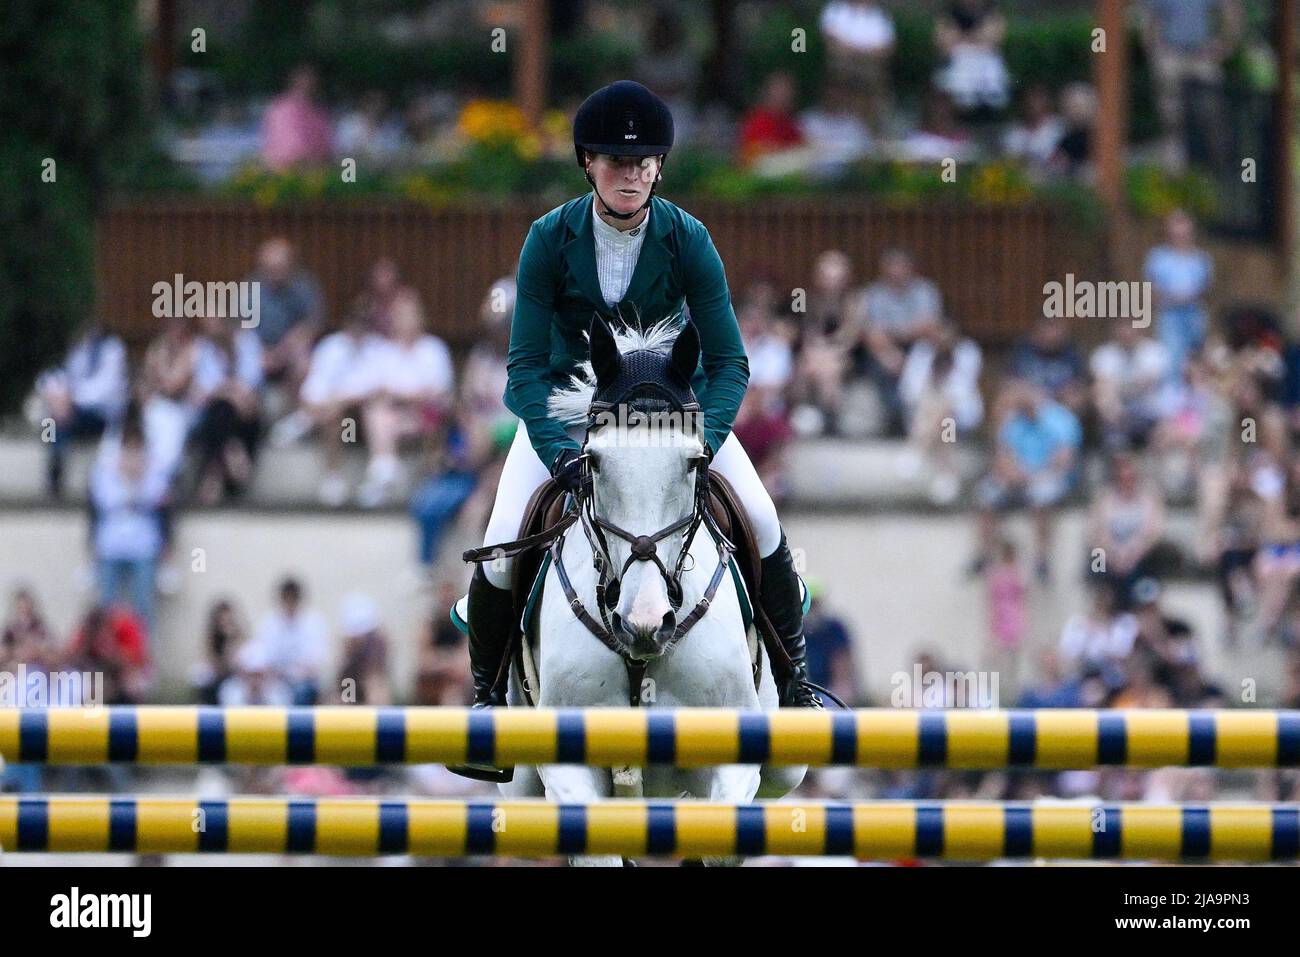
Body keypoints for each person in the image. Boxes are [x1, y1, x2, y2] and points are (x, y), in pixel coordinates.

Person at [465, 80, 821, 716]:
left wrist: (701, 443)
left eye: (641, 163)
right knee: (498, 547)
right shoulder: (548, 239)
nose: (630, 175)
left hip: (673, 420)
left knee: (763, 520)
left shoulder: (689, 239)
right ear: (588, 165)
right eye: (615, 162)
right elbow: (522, 370)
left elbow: (730, 362)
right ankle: (489, 697)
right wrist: (559, 457)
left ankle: (793, 683)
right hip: (570, 421)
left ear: (658, 166)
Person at [38, 323, 128, 498]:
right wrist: (57, 396)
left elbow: (105, 388)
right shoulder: (80, 351)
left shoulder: (113, 350)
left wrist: (70, 400)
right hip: (72, 412)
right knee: (50, 421)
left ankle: (56, 459)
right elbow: (62, 377)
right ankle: (54, 462)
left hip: (102, 414)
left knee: (61, 416)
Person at [1144, 209, 1214, 381]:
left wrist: (1189, 297)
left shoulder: (1201, 259)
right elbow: (1151, 290)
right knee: (1171, 362)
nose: (1180, 231)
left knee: (1195, 360)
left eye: (1183, 224)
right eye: (1176, 225)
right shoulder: (1158, 257)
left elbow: (1206, 290)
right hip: (1169, 317)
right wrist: (1173, 298)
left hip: (1193, 315)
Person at [250, 577, 328, 705]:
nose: (289, 604)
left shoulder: (314, 622)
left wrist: (294, 673)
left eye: (293, 599)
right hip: (275, 681)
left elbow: (316, 662)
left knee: (300, 691)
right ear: (281, 600)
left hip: (305, 683)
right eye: (286, 599)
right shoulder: (269, 623)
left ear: (299, 600)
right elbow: (263, 657)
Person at [260, 64, 334, 170]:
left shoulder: (319, 111)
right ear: (294, 80)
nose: (310, 82)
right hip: (288, 173)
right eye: (305, 78)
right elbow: (292, 151)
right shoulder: (282, 109)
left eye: (312, 78)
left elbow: (328, 146)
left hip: (318, 171)